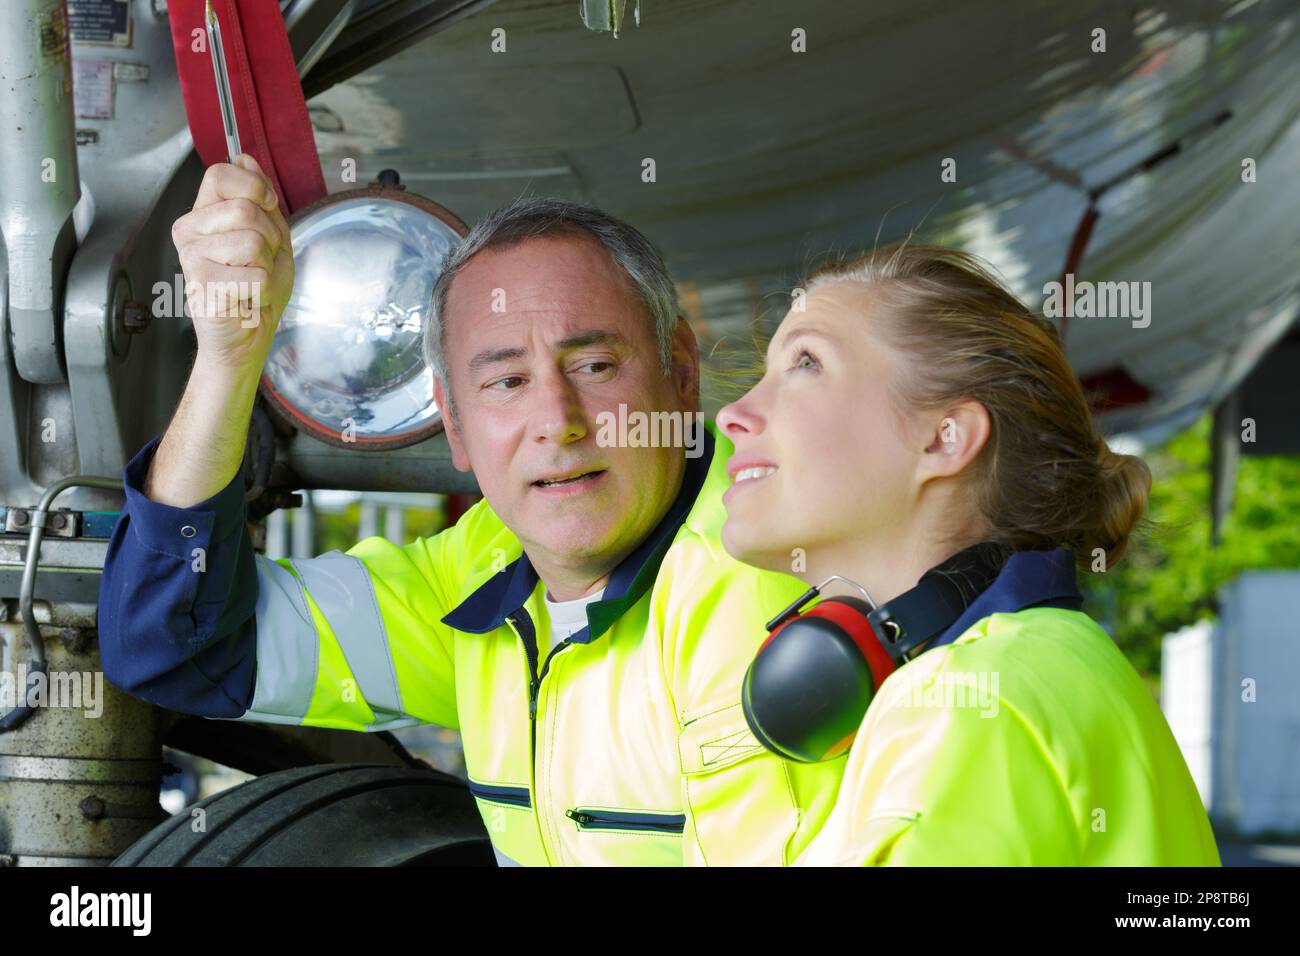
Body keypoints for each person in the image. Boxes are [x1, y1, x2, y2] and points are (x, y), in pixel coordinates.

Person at [97, 155, 848, 866]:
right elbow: (173, 644)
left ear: (682, 378)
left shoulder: (796, 566)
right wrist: (230, 358)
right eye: (506, 382)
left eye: (593, 366)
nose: (559, 420)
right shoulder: (479, 575)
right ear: (454, 426)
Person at [714, 243, 1221, 865]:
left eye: (806, 363)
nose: (733, 415)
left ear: (945, 438)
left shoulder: (965, 704)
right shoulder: (1043, 659)